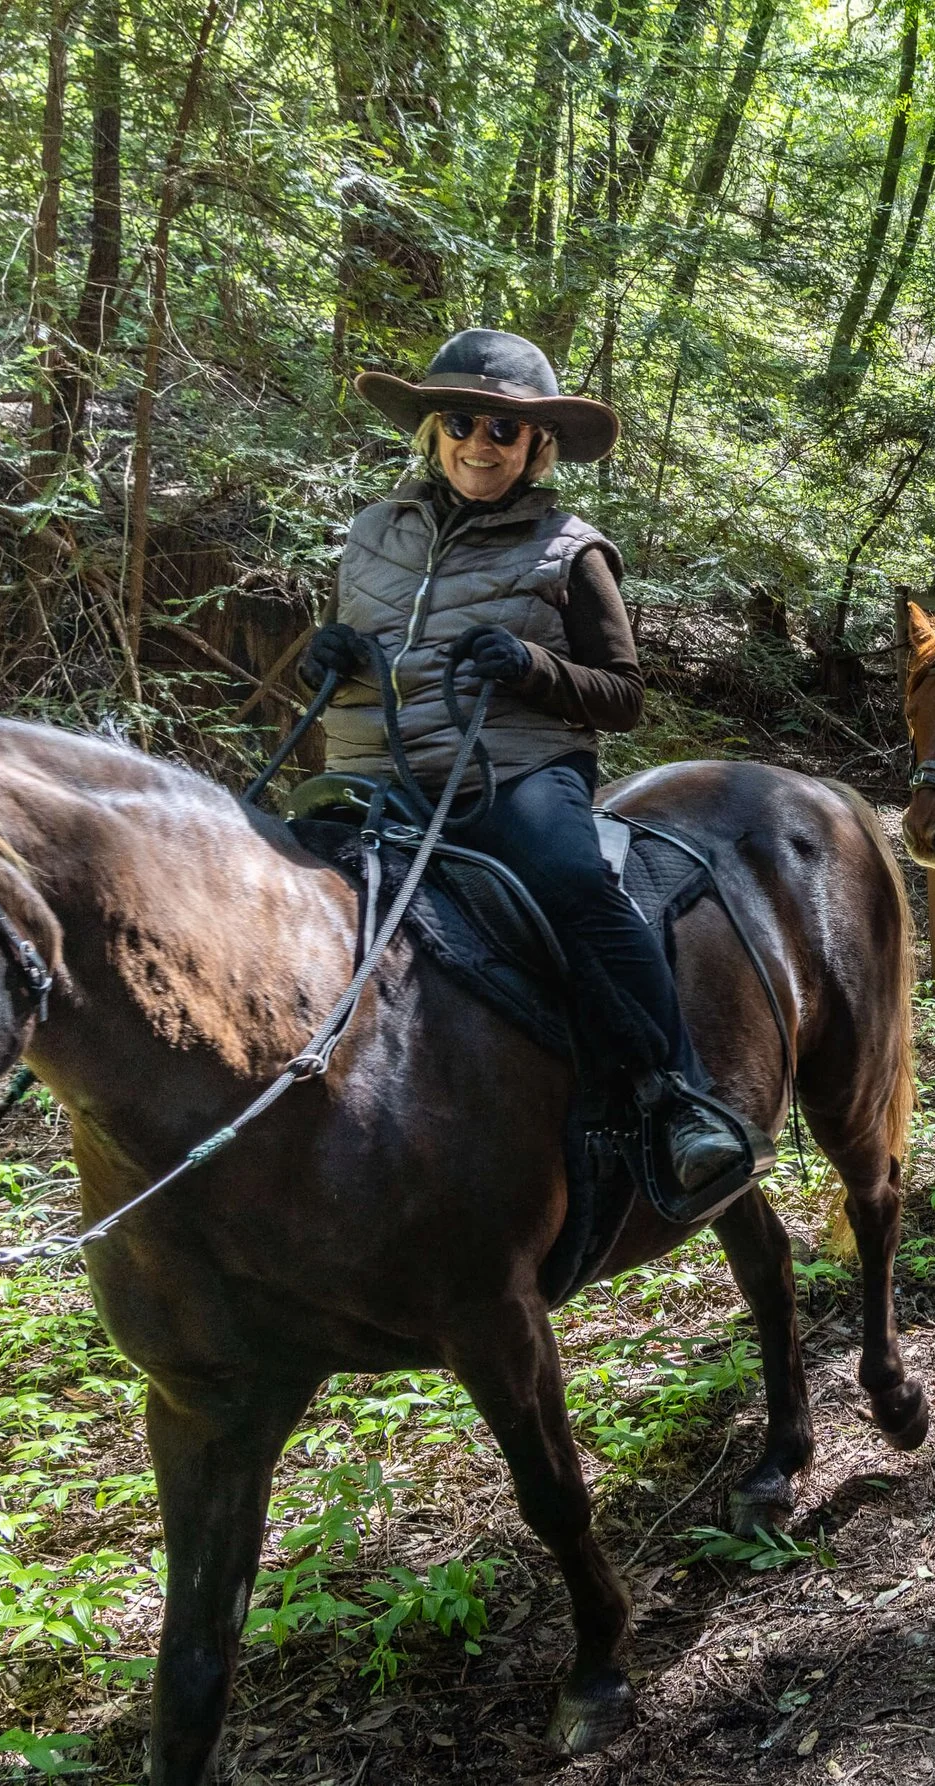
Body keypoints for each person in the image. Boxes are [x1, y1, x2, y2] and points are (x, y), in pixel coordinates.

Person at [299, 327, 771, 1209]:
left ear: (537, 445)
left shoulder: (572, 549)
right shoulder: (370, 534)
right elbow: (361, 647)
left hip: (512, 770)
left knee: (570, 881)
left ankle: (677, 1096)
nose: (480, 443)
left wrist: (533, 667)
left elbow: (623, 697)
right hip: (374, 771)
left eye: (503, 430)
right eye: (462, 423)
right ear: (434, 433)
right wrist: (318, 658)